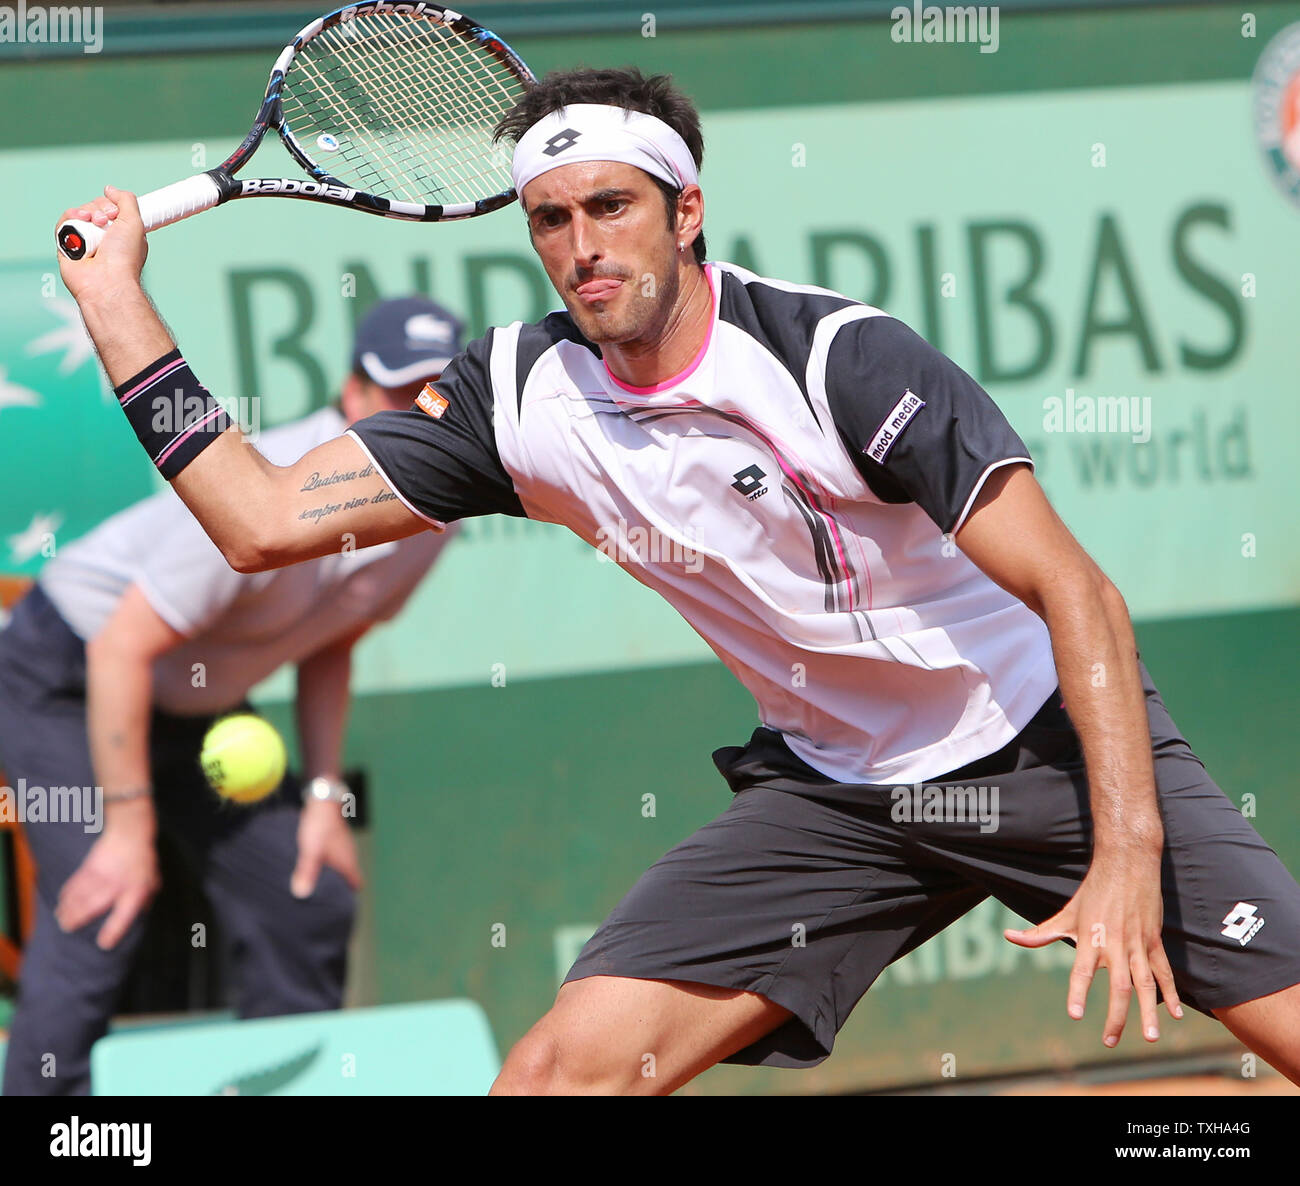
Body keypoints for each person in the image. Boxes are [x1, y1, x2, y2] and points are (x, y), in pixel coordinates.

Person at [55, 68, 1300, 1095]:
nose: (583, 246)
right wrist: (117, 306)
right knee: (551, 1079)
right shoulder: (518, 399)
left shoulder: (839, 359)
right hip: (836, 796)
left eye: (611, 205)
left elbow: (1078, 593)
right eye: (550, 218)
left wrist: (1126, 850)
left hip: (1046, 746)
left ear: (685, 211)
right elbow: (259, 519)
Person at [0, 296, 464, 1095]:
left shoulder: (428, 521)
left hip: (192, 708)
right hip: (65, 679)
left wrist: (323, 798)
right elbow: (121, 646)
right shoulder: (261, 489)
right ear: (353, 393)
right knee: (103, 900)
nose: (417, 416)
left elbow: (333, 647)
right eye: (398, 393)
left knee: (308, 888)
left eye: (436, 398)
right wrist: (129, 828)